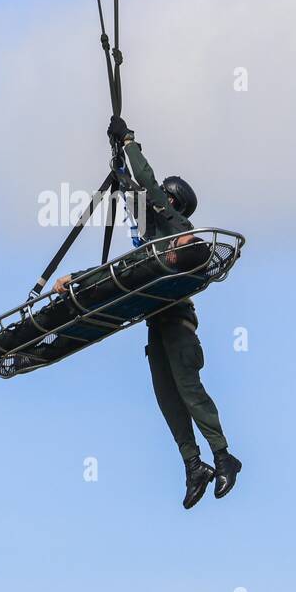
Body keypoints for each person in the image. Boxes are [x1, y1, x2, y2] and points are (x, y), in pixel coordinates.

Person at [55, 115, 242, 509]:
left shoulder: (173, 225)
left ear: (171, 205)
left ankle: (224, 456)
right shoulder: (150, 249)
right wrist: (74, 276)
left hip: (177, 323)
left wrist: (129, 143)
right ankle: (194, 466)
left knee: (188, 389)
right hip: (157, 323)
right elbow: (119, 269)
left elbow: (147, 186)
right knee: (166, 396)